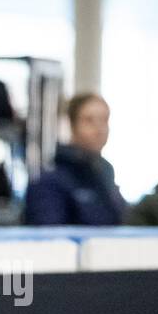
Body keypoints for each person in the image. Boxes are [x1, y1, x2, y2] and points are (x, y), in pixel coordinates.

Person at [24, 93, 125, 226]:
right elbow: (50, 238)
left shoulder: (105, 173)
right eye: (89, 120)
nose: (99, 128)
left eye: (104, 120)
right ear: (72, 124)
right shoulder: (49, 182)